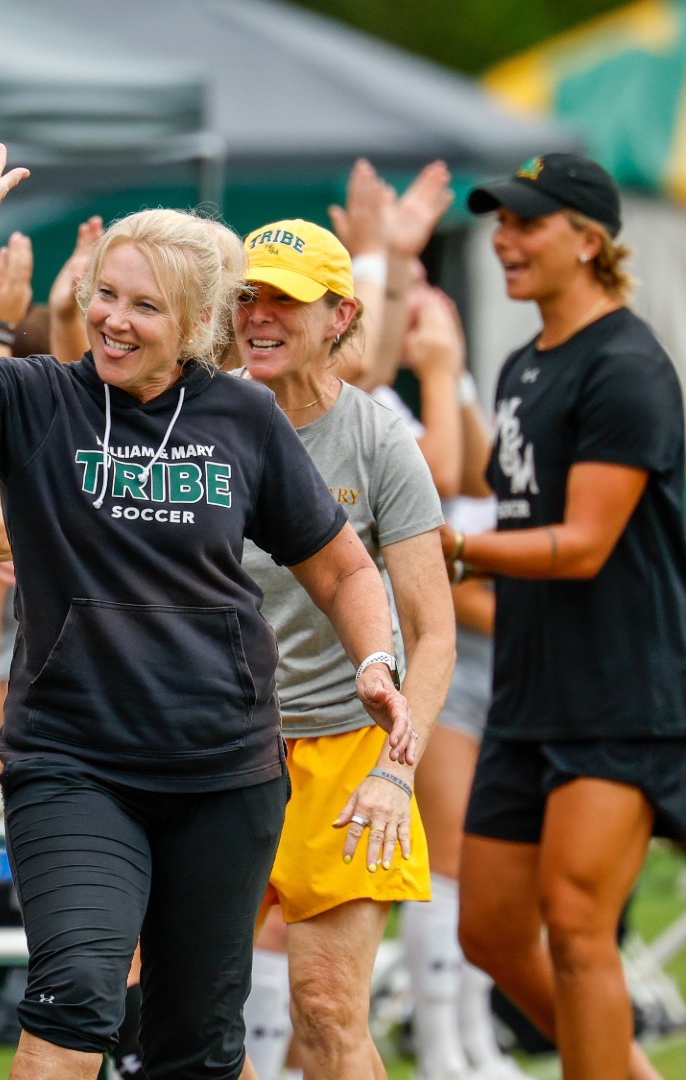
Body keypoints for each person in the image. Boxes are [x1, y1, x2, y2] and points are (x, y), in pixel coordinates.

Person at [0, 138, 415, 1079]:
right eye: (105, 296)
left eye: (143, 305)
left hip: (225, 774)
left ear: (201, 320)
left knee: (198, 1049)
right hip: (76, 763)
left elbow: (342, 569)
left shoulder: (244, 420)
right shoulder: (37, 400)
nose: (113, 322)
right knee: (76, 999)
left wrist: (375, 660)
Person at [451, 153, 686, 1080]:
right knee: (493, 933)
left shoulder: (627, 367)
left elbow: (583, 543)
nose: (504, 239)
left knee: (580, 928)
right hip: (528, 695)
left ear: (590, 241)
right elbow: (506, 507)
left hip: (622, 696)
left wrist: (451, 548)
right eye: (499, 223)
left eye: (527, 223)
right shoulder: (520, 364)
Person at [232, 219, 454, 1079]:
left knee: (326, 1009)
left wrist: (397, 772)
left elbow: (433, 635)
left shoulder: (378, 439)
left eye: (285, 299)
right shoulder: (199, 416)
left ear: (339, 317)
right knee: (168, 1006)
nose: (259, 314)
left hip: (344, 751)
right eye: (247, 294)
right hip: (216, 746)